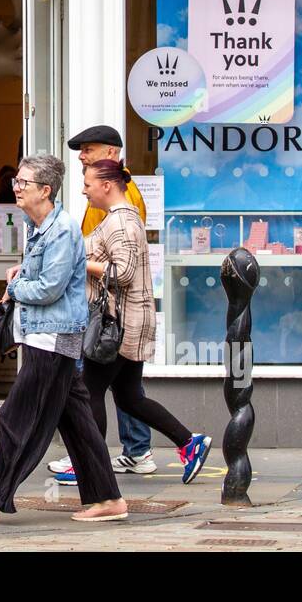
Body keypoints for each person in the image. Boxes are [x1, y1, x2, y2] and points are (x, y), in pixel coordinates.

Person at [0, 153, 127, 524]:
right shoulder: (39, 226)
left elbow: (49, 288)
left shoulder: (60, 230)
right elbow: (44, 275)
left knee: (17, 418)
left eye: (23, 183)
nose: (16, 187)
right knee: (77, 424)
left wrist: (16, 285)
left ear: (45, 190)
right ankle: (107, 499)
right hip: (46, 336)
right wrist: (22, 270)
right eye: (16, 181)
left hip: (53, 338)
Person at [65, 158, 213, 486]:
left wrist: (81, 262)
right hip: (128, 322)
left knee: (89, 390)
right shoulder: (118, 220)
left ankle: (88, 463)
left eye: (88, 184)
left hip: (117, 325)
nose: (84, 190)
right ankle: (190, 443)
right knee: (130, 396)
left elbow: (123, 273)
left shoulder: (120, 223)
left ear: (106, 185)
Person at [48, 123, 157, 480]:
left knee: (92, 387)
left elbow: (117, 264)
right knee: (125, 390)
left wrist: (76, 262)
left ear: (111, 155)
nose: (82, 156)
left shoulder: (118, 202)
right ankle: (141, 449)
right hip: (111, 308)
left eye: (89, 149)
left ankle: (96, 457)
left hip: (111, 311)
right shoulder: (106, 195)